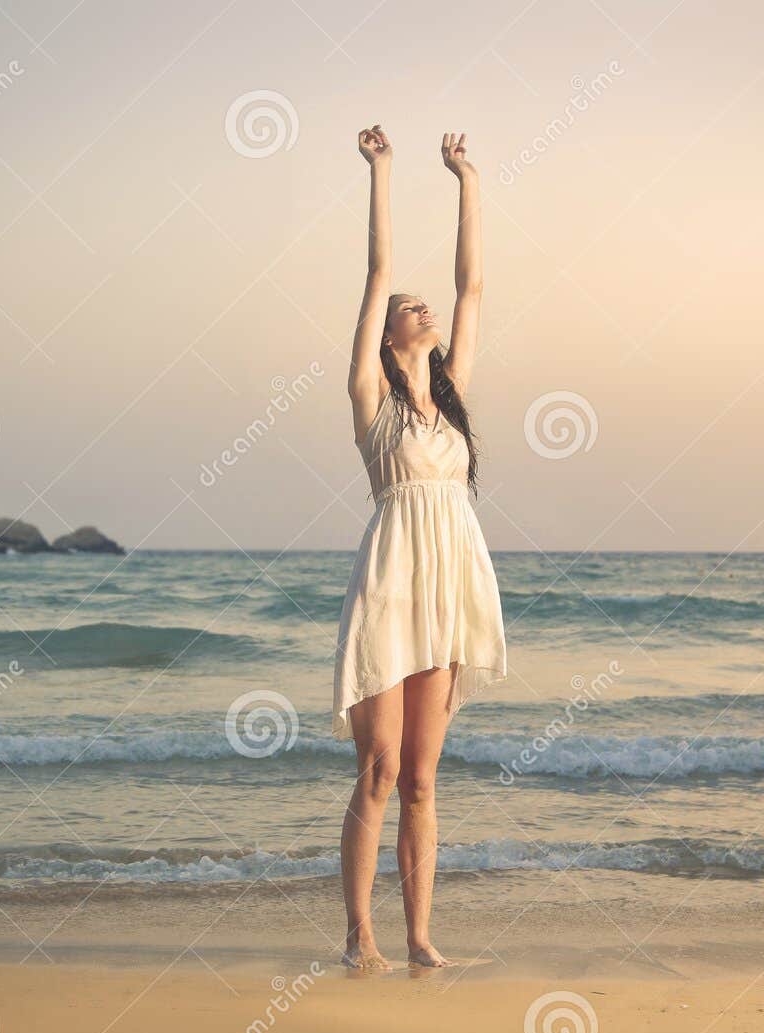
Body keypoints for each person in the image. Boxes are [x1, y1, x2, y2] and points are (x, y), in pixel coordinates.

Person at [333, 125, 507, 970]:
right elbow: (374, 274)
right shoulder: (372, 400)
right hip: (390, 584)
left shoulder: (453, 396)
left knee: (425, 781)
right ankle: (360, 934)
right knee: (379, 766)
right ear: (389, 332)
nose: (423, 307)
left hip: (449, 584)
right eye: (411, 307)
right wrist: (385, 171)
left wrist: (466, 178)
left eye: (421, 306)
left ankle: (420, 936)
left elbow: (473, 286)